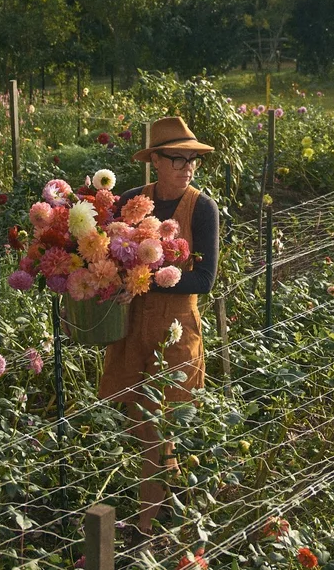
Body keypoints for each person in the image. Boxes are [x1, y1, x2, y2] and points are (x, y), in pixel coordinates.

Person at [98, 116, 219, 536]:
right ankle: (182, 498)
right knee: (141, 421)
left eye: (192, 160)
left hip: (176, 329)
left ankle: (146, 529)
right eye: (177, 158)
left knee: (158, 426)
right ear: (155, 160)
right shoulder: (132, 202)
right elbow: (110, 258)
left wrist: (146, 279)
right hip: (134, 326)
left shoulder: (202, 209)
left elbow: (205, 280)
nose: (187, 167)